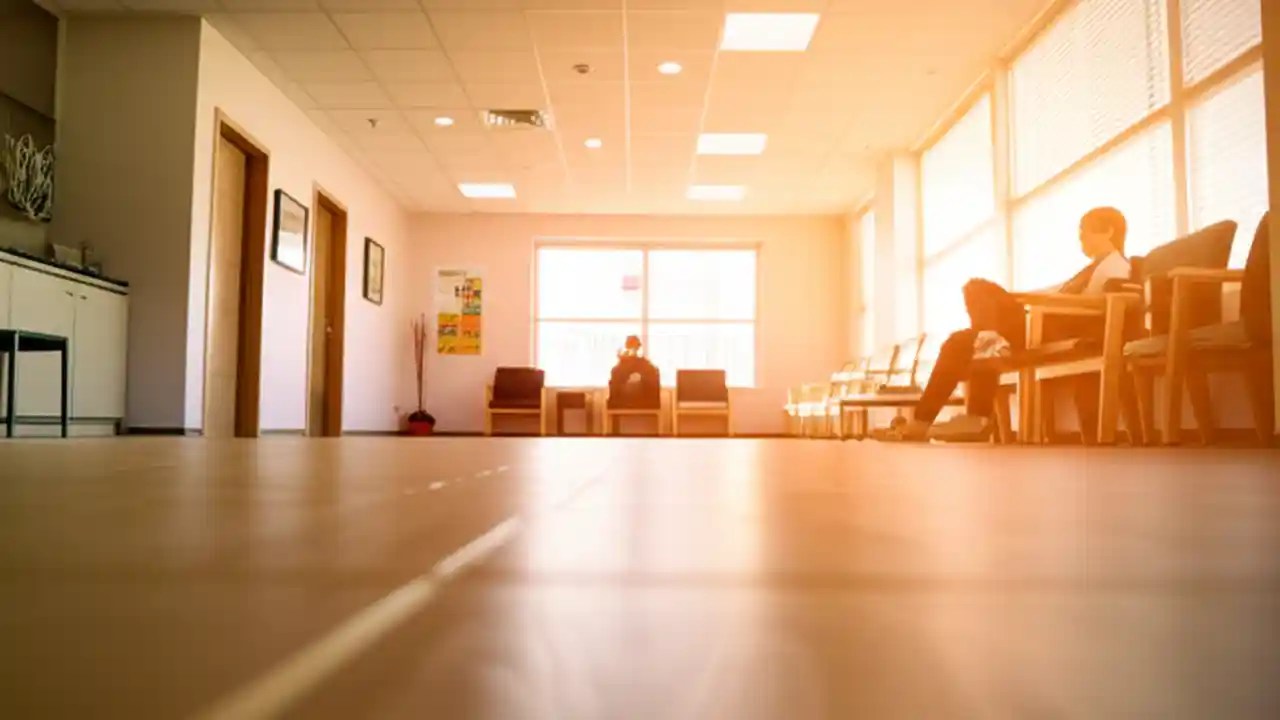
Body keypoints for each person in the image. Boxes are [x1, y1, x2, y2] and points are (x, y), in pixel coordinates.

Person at [883, 206, 1131, 442]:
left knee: (977, 287)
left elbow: (1097, 308)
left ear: (1109, 230)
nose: (1081, 237)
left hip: (1057, 328)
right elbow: (1053, 292)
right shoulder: (1089, 269)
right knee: (961, 340)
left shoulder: (1117, 267)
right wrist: (1010, 300)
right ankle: (942, 420)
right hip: (1042, 322)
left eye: (1085, 230)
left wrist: (1014, 304)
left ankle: (988, 342)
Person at [608, 335, 660, 409]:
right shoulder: (619, 368)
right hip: (625, 403)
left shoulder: (646, 366)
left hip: (643, 403)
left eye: (633, 344)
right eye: (630, 344)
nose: (632, 347)